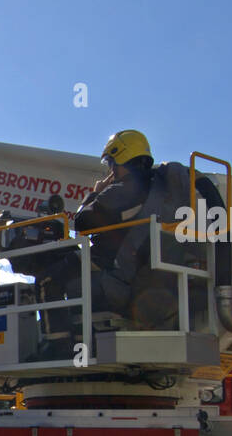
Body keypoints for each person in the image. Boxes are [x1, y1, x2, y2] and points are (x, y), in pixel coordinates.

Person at [65, 130, 223, 330]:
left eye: (112, 163)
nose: (112, 170)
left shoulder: (122, 190)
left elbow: (81, 222)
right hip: (154, 283)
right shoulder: (162, 189)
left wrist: (95, 192)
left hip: (121, 283)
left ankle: (58, 342)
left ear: (119, 159)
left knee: (56, 269)